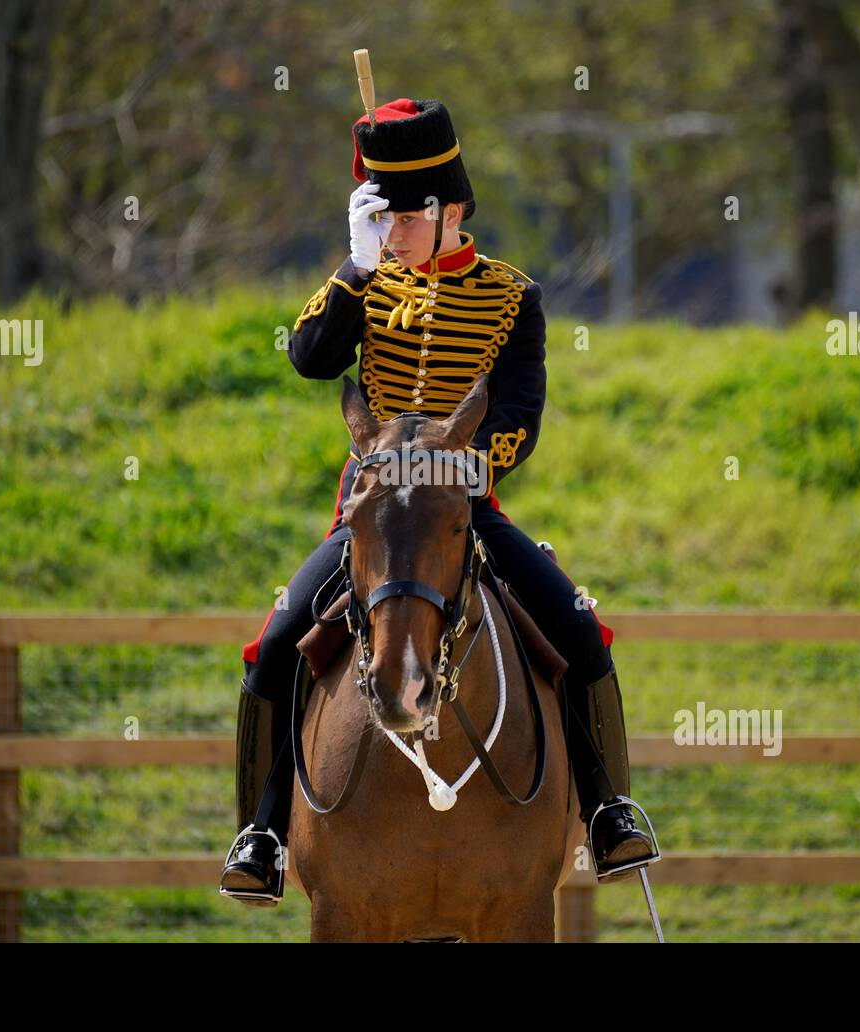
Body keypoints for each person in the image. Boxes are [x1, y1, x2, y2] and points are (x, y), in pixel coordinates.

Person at [221, 97, 657, 906]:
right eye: (375, 216)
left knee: (578, 628)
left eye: (402, 216)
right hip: (375, 515)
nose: (391, 232)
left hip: (463, 508)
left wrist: (456, 472)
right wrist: (353, 272)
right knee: (276, 640)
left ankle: (607, 811)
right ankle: (265, 831)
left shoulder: (511, 297)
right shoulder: (369, 282)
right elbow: (312, 360)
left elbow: (520, 420)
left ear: (450, 209)